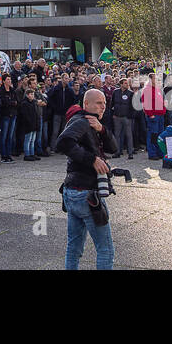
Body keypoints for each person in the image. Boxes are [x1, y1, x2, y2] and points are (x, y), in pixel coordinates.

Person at [55, 88, 119, 270]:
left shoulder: (92, 123)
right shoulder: (82, 121)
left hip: (73, 192)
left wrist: (102, 129)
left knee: (74, 248)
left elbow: (113, 148)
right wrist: (92, 160)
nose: (102, 107)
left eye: (105, 104)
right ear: (86, 104)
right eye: (98, 103)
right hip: (86, 194)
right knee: (105, 249)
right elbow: (62, 142)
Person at [110, 78, 135, 159]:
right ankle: (117, 152)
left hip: (126, 117)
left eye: (127, 83)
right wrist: (113, 114)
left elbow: (133, 106)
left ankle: (130, 153)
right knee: (117, 135)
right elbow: (112, 103)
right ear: (121, 84)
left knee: (129, 135)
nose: (127, 85)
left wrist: (130, 116)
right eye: (125, 83)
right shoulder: (115, 92)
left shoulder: (131, 93)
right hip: (117, 117)